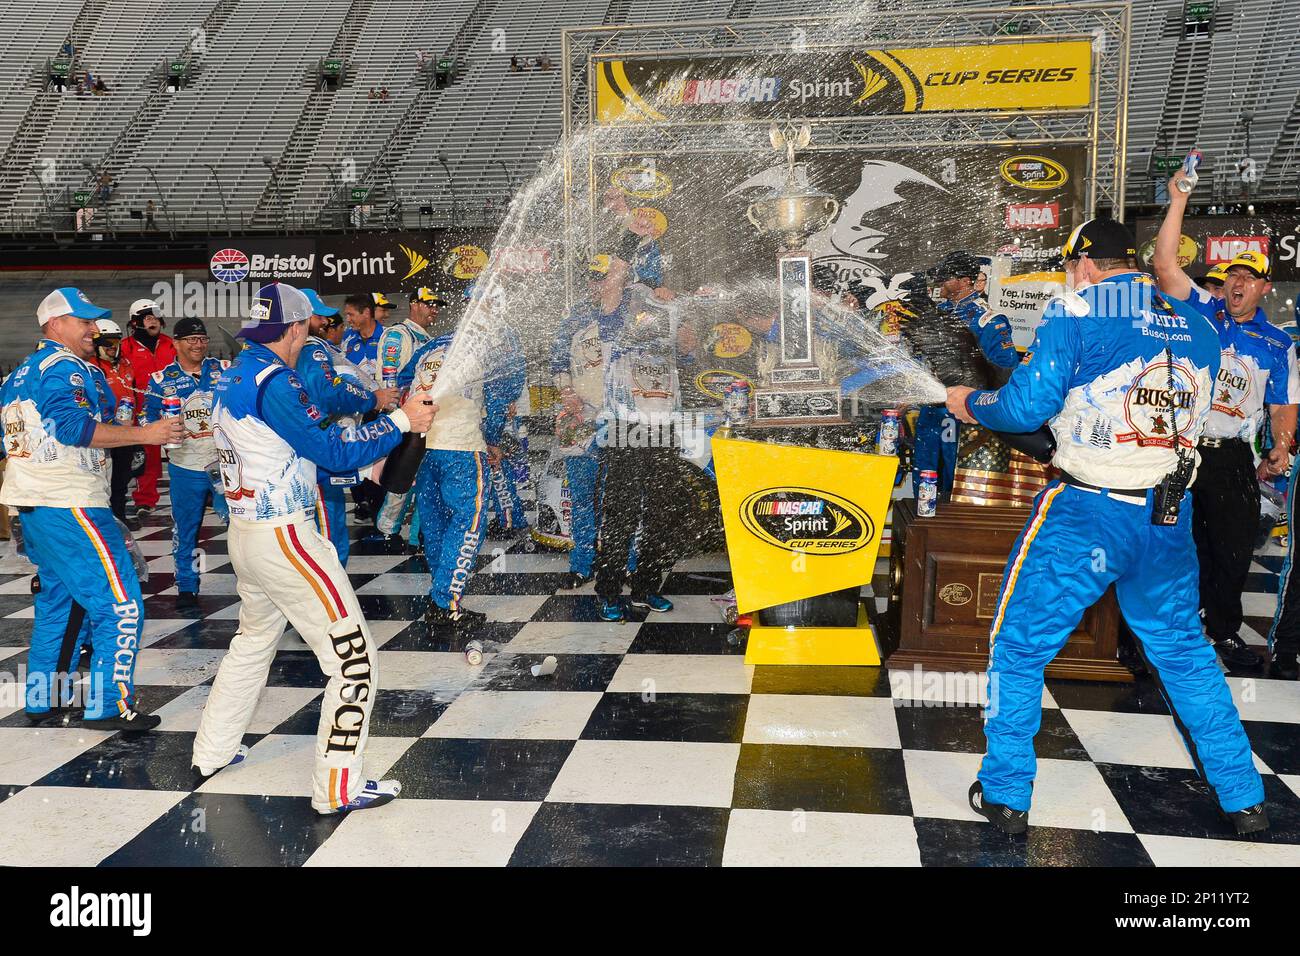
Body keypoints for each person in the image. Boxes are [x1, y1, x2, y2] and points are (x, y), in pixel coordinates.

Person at [945, 217, 1268, 836]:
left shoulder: (1076, 307)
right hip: (1167, 515)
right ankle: (1244, 796)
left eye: (1073, 266)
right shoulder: (1198, 323)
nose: (1072, 276)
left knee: (1018, 647)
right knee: (1183, 651)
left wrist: (971, 403)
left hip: (1089, 513)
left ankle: (1007, 795)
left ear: (1085, 263)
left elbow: (1024, 406)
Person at [192, 282, 435, 814]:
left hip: (246, 534)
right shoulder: (277, 380)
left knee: (253, 641)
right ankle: (338, 787)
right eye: (312, 325)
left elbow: (294, 452)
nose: (318, 332)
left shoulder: (233, 373)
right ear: (297, 328)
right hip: (284, 537)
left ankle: (212, 751)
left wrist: (370, 457)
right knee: (354, 663)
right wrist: (400, 421)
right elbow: (327, 448)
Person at [1, 288, 183, 730]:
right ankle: (108, 706)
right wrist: (146, 433)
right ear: (54, 325)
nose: (93, 328)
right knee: (121, 606)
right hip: (71, 503)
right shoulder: (65, 367)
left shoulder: (19, 373)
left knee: (60, 606)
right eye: (82, 321)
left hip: (34, 504)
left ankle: (44, 699)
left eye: (94, 320)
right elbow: (74, 428)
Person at [1154, 170, 1299, 670]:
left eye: (1248, 278)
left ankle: (1223, 630)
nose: (1237, 284)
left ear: (1263, 287)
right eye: (1232, 275)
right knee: (1174, 544)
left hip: (1235, 457)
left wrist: (1282, 445)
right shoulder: (1201, 312)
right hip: (1182, 450)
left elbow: (1283, 407)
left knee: (1234, 551)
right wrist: (1178, 200)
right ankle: (1174, 630)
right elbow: (1166, 264)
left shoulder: (1279, 345)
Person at [585, 253, 690, 623]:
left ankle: (646, 585)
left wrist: (676, 303)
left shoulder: (666, 331)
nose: (647, 307)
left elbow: (690, 344)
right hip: (624, 431)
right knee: (621, 514)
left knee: (664, 515)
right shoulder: (614, 325)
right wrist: (625, 267)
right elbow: (614, 286)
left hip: (666, 432)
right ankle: (609, 591)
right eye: (640, 299)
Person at [397, 292, 513, 628]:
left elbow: (403, 382)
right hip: (461, 448)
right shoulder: (486, 349)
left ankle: (440, 595)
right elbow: (501, 393)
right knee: (468, 522)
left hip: (422, 446)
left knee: (435, 523)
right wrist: (492, 437)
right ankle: (444, 603)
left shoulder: (432, 346)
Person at [296, 288, 396, 565]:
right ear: (302, 318)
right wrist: (372, 398)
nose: (326, 324)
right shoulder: (311, 347)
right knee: (328, 530)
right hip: (317, 446)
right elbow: (327, 391)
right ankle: (331, 591)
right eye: (320, 318)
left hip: (306, 447)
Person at [914, 251, 1019, 501]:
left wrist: (970, 388)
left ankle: (952, 528)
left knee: (956, 477)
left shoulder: (989, 320)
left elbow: (1006, 369)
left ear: (964, 281)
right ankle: (922, 527)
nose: (941, 283)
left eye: (946, 278)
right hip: (931, 407)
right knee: (924, 473)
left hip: (963, 411)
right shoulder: (937, 313)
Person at [142, 318, 229, 610]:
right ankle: (187, 588)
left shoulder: (224, 370)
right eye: (191, 339)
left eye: (202, 338)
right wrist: (163, 427)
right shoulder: (160, 379)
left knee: (242, 525)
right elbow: (146, 420)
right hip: (185, 464)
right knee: (186, 529)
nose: (198, 344)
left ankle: (253, 582)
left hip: (225, 463)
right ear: (176, 343)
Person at [368, 287, 444, 550]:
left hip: (426, 417)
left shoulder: (428, 338)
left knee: (421, 476)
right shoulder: (399, 334)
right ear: (414, 304)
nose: (434, 308)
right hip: (404, 417)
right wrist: (398, 413)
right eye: (429, 303)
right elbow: (389, 376)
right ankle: (387, 529)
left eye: (437, 305)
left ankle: (420, 535)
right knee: (403, 475)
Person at [120, 299, 176, 518]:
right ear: (136, 323)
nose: (153, 322)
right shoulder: (125, 348)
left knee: (188, 452)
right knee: (147, 457)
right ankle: (145, 500)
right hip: (143, 411)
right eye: (147, 317)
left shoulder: (171, 344)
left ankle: (203, 494)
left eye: (155, 317)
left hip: (174, 407)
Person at [86, 319, 141, 526]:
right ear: (97, 344)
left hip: (126, 432)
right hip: (103, 432)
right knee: (102, 479)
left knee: (122, 478)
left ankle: (119, 517)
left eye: (116, 343)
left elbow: (136, 394)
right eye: (107, 343)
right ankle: (102, 521)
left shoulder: (126, 364)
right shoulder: (90, 368)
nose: (112, 348)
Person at [341, 293, 389, 522]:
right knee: (356, 459)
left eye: (351, 314)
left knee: (378, 464)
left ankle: (382, 515)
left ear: (366, 313)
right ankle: (364, 504)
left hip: (382, 411)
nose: (347, 318)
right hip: (354, 412)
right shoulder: (347, 340)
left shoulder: (388, 337)